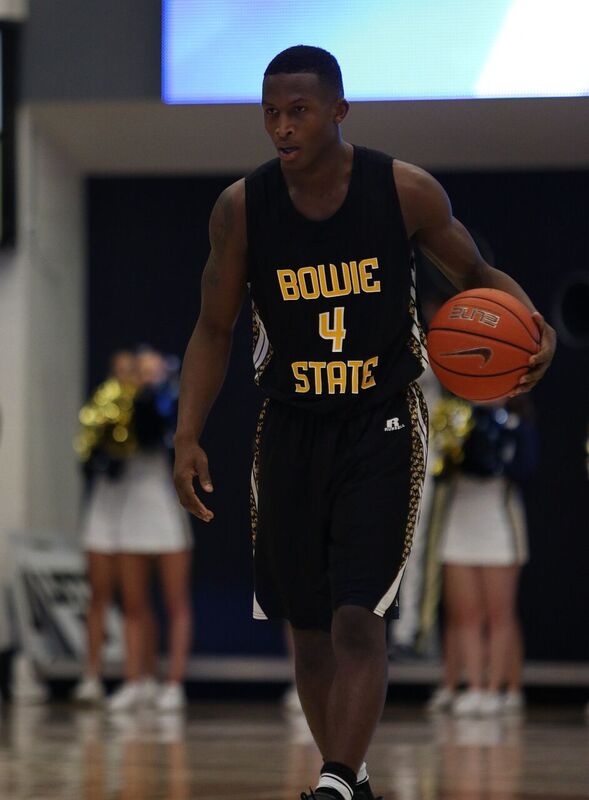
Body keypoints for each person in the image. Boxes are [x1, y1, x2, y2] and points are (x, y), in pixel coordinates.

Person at [173, 46, 556, 800]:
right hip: (289, 425)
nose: (283, 127)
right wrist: (187, 435)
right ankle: (351, 777)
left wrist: (532, 327)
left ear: (339, 111)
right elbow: (213, 329)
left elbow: (477, 277)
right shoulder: (242, 209)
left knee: (357, 617)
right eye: (271, 114)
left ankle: (336, 779)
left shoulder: (402, 190)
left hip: (381, 421)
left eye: (299, 111)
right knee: (309, 629)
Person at [426, 396, 538, 716]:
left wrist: (496, 452)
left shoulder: (515, 424)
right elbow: (438, 470)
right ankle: (473, 687)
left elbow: (526, 468)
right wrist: (456, 447)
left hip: (500, 524)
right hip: (460, 523)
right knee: (465, 615)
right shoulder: (454, 417)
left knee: (499, 614)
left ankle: (497, 689)